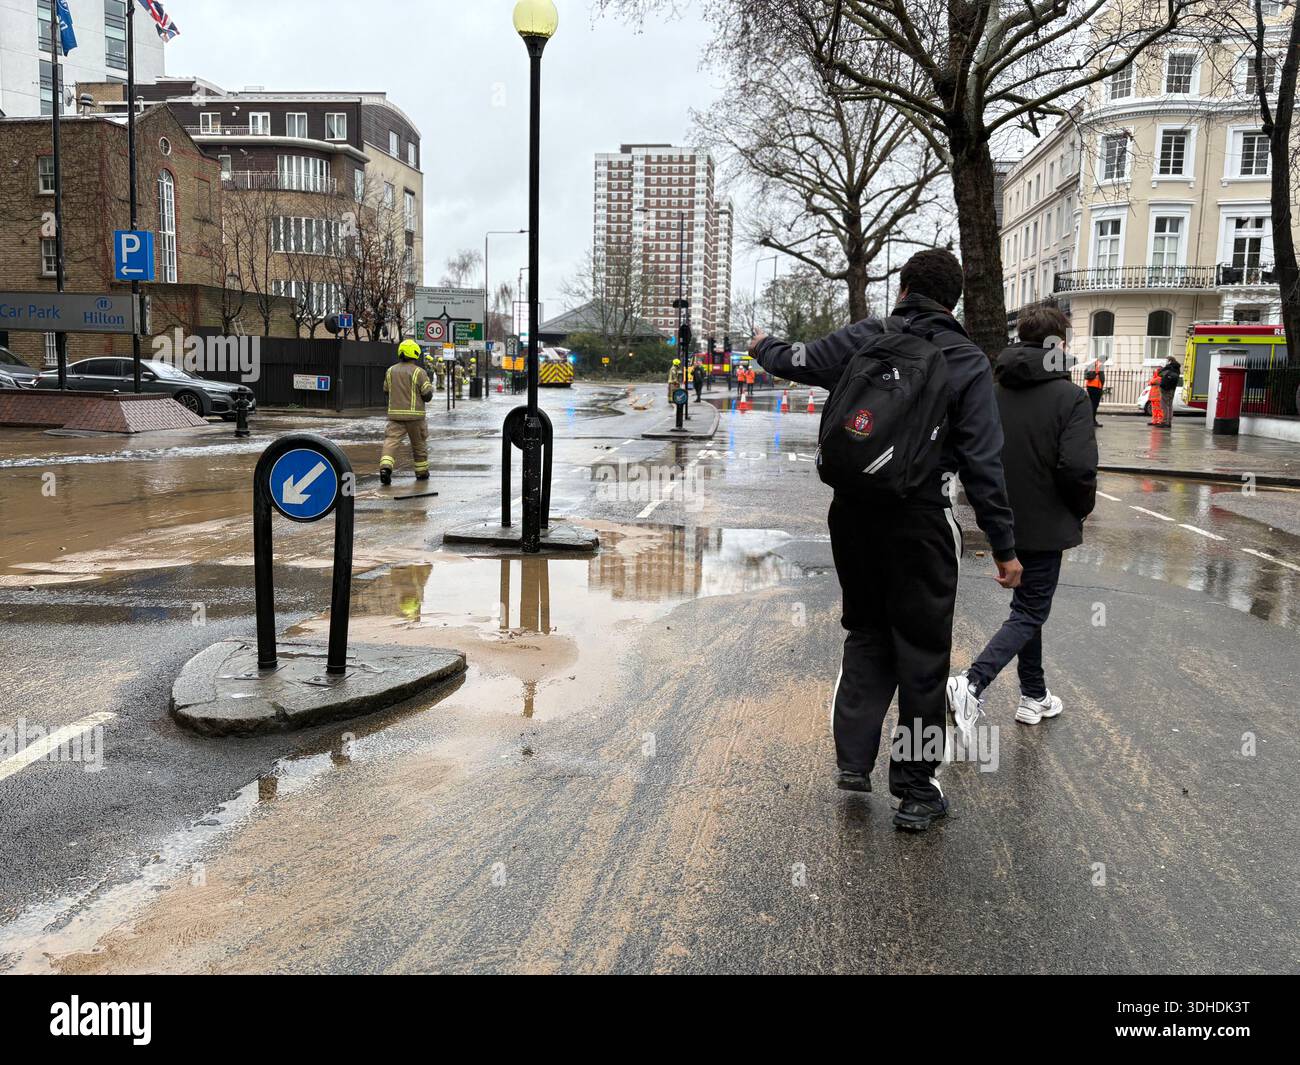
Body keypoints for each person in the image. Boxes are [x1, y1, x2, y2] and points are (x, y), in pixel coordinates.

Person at [748, 249, 1020, 832]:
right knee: (921, 651)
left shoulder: (866, 336)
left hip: (851, 513)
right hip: (920, 519)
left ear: (902, 289)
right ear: (954, 300)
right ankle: (916, 791)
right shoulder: (965, 361)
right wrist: (1004, 546)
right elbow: (983, 463)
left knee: (866, 630)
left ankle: (853, 762)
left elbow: (797, 359)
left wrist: (762, 344)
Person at [947, 306, 1097, 742]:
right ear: (1059, 345)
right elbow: (1078, 467)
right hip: (1046, 520)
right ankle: (972, 682)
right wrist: (1080, 508)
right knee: (1032, 610)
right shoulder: (1070, 397)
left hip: (999, 515)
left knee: (1027, 610)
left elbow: (970, 452)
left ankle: (1034, 694)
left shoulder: (993, 391)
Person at [380, 339, 434, 486]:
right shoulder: (419, 372)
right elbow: (427, 395)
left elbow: (386, 390)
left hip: (395, 416)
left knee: (391, 442)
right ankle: (422, 473)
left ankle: (385, 468)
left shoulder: (390, 371)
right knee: (419, 445)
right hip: (415, 417)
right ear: (415, 353)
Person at [1158, 356, 1181, 428]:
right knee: (1170, 405)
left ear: (1170, 361)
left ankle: (1165, 422)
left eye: (1167, 360)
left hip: (1165, 388)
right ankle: (1169, 421)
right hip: (1172, 389)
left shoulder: (1169, 367)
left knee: (1164, 405)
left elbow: (1160, 374)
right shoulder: (1177, 368)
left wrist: (1162, 368)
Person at [1083, 357, 1105, 427]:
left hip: (1089, 386)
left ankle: (1089, 420)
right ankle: (1093, 421)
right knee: (1095, 405)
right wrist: (1101, 387)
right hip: (1096, 387)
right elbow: (1102, 378)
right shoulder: (1100, 365)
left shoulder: (1092, 364)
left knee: (1091, 404)